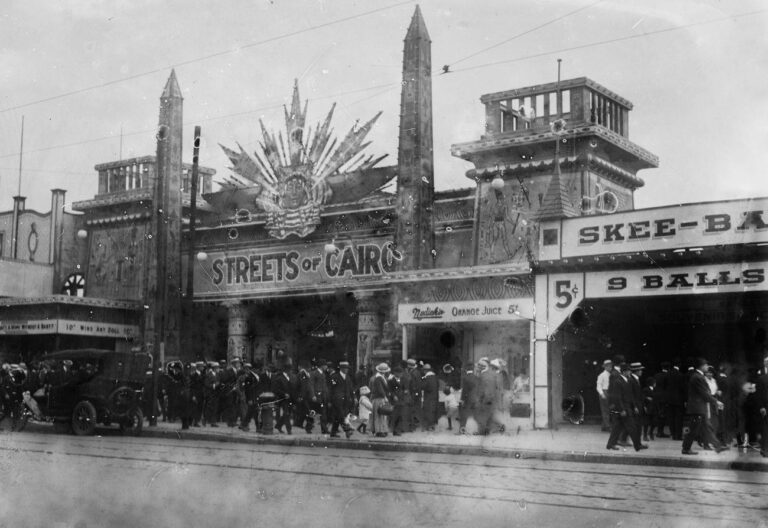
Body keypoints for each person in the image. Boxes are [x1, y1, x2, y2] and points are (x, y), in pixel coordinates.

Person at [681, 358, 728, 455]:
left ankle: (717, 446)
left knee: (707, 427)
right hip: (697, 408)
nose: (707, 367)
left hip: (698, 407)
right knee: (694, 429)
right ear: (701, 366)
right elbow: (704, 393)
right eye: (706, 365)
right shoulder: (698, 377)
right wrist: (716, 402)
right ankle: (686, 448)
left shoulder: (698, 376)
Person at [606, 363, 647, 452]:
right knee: (632, 427)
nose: (630, 372)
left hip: (628, 407)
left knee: (617, 428)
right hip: (624, 409)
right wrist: (622, 410)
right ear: (624, 372)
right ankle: (637, 446)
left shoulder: (627, 381)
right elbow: (618, 397)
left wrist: (634, 406)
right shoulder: (618, 381)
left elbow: (630, 396)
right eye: (628, 371)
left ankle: (610, 444)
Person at [328, 361, 355, 438]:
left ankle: (333, 433)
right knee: (341, 415)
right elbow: (331, 389)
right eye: (345, 368)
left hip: (346, 400)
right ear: (341, 368)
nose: (346, 370)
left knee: (338, 416)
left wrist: (353, 398)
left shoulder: (348, 378)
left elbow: (350, 389)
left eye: (347, 368)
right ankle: (347, 431)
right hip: (337, 400)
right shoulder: (335, 377)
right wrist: (330, 400)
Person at [308, 359, 329, 434]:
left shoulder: (323, 374)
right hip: (316, 396)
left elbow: (325, 386)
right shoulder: (314, 373)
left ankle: (324, 429)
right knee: (313, 412)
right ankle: (308, 427)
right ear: (322, 366)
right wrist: (313, 395)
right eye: (326, 365)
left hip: (322, 397)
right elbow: (311, 385)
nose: (326, 367)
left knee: (323, 413)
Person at [371, 363, 391, 437]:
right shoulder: (378, 378)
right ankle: (379, 431)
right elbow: (380, 389)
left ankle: (382, 430)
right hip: (379, 398)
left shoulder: (380, 377)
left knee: (381, 415)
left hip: (379, 398)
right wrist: (385, 396)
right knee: (379, 415)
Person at [457, 363, 478, 435]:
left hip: (467, 399)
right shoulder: (476, 377)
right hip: (475, 399)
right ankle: (477, 430)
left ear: (466, 369)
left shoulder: (465, 377)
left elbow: (465, 390)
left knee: (464, 415)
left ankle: (462, 430)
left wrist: (462, 399)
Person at [756, 354, 768, 457]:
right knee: (765, 429)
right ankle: (764, 450)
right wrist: (761, 407)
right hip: (766, 406)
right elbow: (758, 394)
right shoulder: (761, 378)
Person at [421, 364, 439, 431]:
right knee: (433, 411)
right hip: (435, 397)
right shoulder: (435, 377)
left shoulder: (427, 378)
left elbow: (423, 386)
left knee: (428, 411)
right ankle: (432, 425)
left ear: (425, 371)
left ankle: (429, 426)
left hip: (428, 397)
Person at [596, 359, 612, 432]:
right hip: (604, 392)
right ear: (605, 367)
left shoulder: (612, 375)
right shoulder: (601, 375)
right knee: (605, 410)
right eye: (608, 366)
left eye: (611, 366)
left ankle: (604, 426)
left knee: (609, 410)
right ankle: (607, 426)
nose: (610, 367)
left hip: (610, 392)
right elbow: (598, 386)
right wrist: (602, 394)